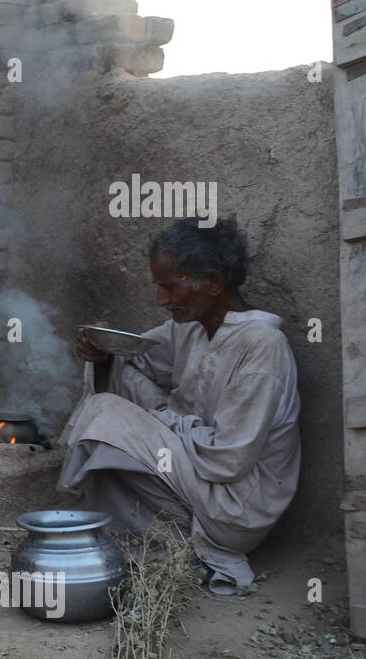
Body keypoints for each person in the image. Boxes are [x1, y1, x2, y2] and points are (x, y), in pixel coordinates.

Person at [59, 218, 301, 595]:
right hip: (198, 475)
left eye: (170, 287)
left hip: (236, 506)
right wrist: (102, 349)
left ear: (213, 283)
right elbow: (134, 360)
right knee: (114, 390)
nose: (162, 300)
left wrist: (156, 423)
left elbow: (228, 459)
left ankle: (198, 547)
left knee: (106, 413)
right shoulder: (188, 327)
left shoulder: (261, 344)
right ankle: (173, 548)